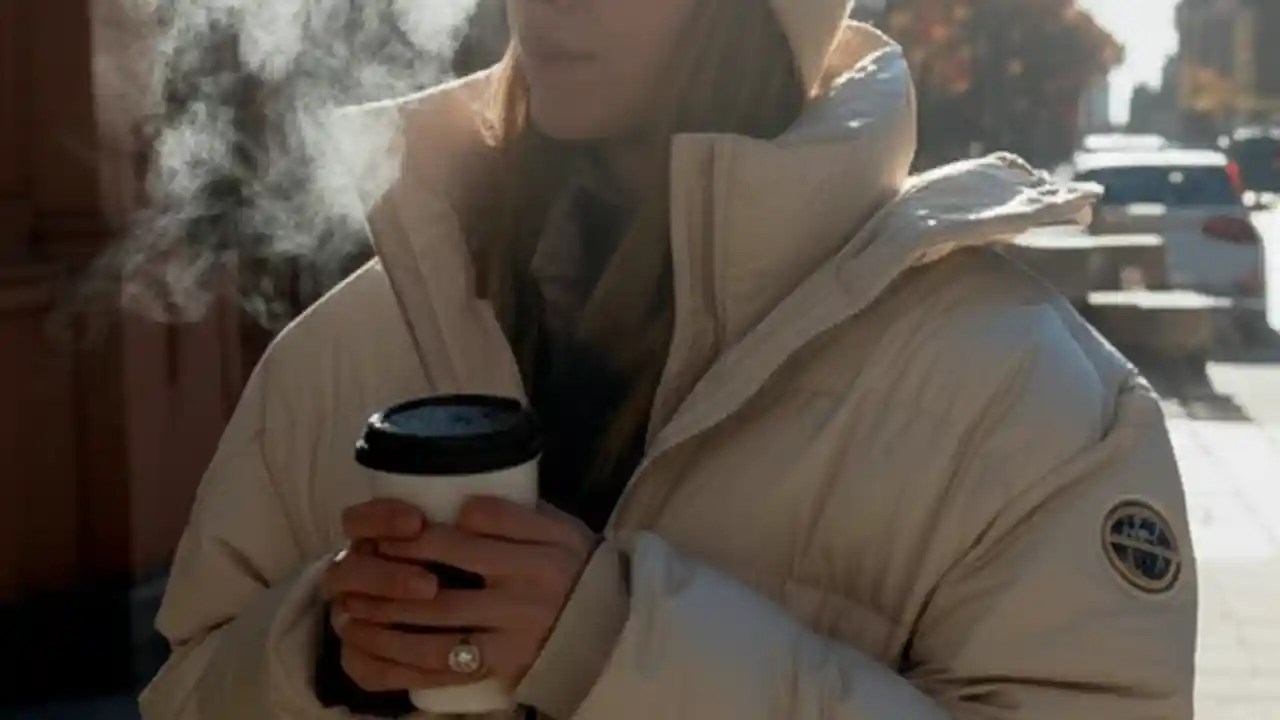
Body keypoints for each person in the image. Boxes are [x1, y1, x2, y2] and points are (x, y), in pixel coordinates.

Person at [140, 0, 1198, 718]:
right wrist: (317, 650)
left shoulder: (1025, 400)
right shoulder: (341, 349)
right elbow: (184, 688)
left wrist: (612, 648)